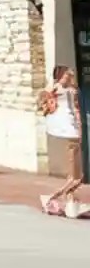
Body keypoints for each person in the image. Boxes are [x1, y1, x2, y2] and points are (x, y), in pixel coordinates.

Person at [39, 65, 84, 216]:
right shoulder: (58, 90)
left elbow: (76, 110)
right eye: (67, 75)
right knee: (77, 177)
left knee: (74, 176)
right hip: (71, 132)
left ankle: (71, 203)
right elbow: (45, 100)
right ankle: (51, 198)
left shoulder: (70, 90)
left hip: (71, 131)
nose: (69, 77)